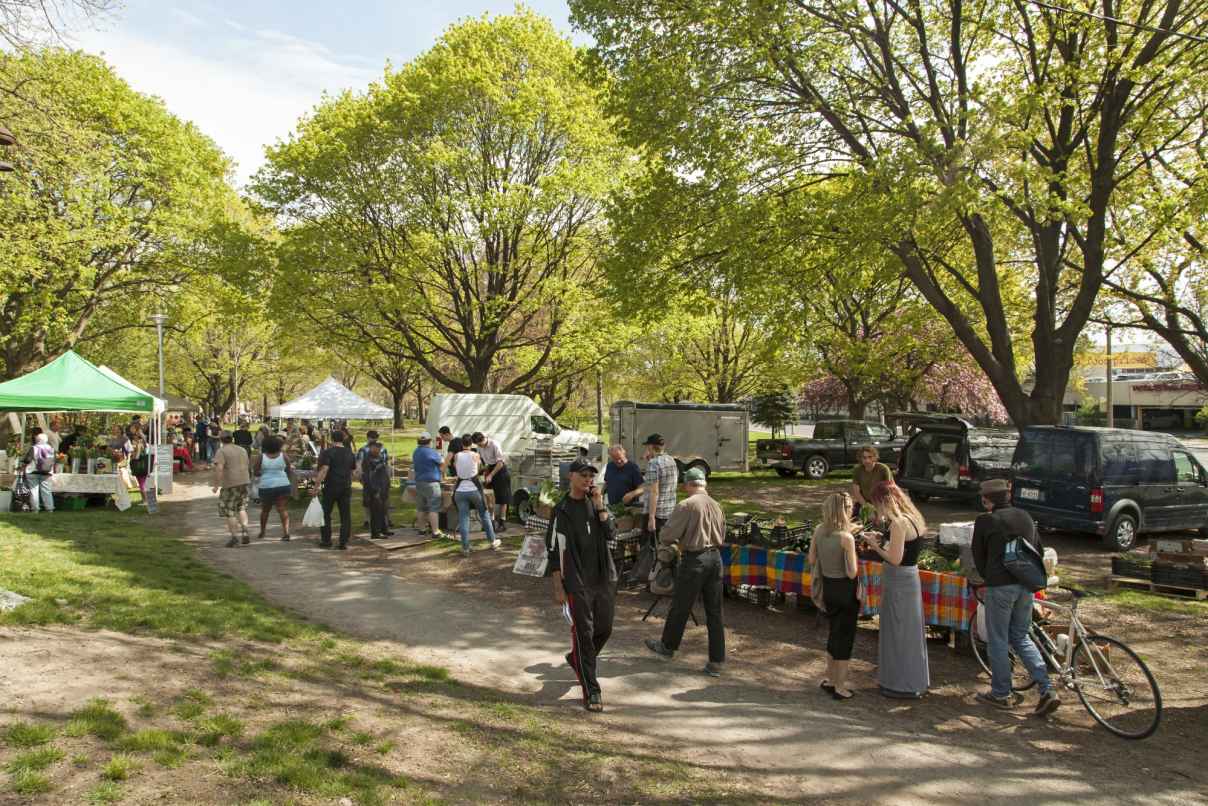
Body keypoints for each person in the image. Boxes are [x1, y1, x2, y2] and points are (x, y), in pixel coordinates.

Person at [973, 478, 1061, 715]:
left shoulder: (985, 520)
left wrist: (987, 577)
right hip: (1026, 584)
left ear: (986, 499)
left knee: (998, 639)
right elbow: (1038, 550)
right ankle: (1046, 688)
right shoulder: (1024, 516)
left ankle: (1002, 693)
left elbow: (978, 557)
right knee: (1021, 636)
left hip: (1000, 586)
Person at [545, 458, 616, 712]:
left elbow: (611, 534)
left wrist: (600, 506)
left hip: (603, 577)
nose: (588, 480)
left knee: (604, 629)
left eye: (591, 476)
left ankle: (576, 659)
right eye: (583, 475)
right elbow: (553, 550)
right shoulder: (561, 509)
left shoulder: (596, 504)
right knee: (583, 635)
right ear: (571, 477)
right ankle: (591, 691)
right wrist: (558, 586)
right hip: (576, 581)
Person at [644, 467, 727, 677]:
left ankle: (668, 647)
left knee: (680, 606)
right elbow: (723, 533)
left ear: (688, 484)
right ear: (704, 484)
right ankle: (716, 662)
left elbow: (668, 535)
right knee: (715, 612)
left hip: (695, 559)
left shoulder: (686, 505)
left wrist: (673, 541)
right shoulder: (717, 505)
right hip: (716, 558)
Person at [864, 481, 930, 699]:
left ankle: (900, 683)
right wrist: (883, 541)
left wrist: (874, 545)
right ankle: (912, 680)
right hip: (911, 577)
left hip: (898, 579)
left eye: (877, 505)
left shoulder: (898, 523)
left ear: (886, 502)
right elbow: (905, 550)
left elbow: (895, 558)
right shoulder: (915, 518)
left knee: (897, 631)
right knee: (909, 631)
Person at [809, 493, 861, 700]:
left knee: (833, 633)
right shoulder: (846, 538)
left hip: (828, 589)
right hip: (845, 591)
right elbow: (852, 572)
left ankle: (830, 680)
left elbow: (812, 558)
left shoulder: (819, 530)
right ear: (845, 510)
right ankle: (840, 686)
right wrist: (852, 549)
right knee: (845, 638)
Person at [451, 435, 499, 556]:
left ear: (462, 444)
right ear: (472, 444)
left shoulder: (457, 456)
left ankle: (465, 547)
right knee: (484, 514)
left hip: (460, 491)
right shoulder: (475, 455)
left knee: (463, 518)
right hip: (473, 489)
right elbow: (478, 470)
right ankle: (493, 541)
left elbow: (457, 470)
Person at [313, 429, 357, 549]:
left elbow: (324, 470)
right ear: (343, 439)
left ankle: (326, 540)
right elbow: (353, 472)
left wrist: (316, 486)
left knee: (326, 514)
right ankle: (343, 542)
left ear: (332, 439)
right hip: (345, 486)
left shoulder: (328, 452)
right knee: (345, 515)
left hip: (331, 486)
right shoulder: (350, 453)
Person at [211, 430, 252, 547]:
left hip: (230, 484)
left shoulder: (222, 451)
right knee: (241, 508)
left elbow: (219, 468)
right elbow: (247, 464)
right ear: (232, 438)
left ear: (220, 439)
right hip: (244, 481)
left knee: (229, 511)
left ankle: (234, 537)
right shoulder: (242, 449)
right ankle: (244, 529)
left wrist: (216, 485)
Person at [638, 433, 678, 548]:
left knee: (650, 548)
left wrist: (651, 518)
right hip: (669, 511)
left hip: (656, 514)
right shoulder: (671, 460)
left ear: (650, 447)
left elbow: (654, 492)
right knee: (665, 546)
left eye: (647, 447)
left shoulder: (653, 464)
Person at [253, 435, 293, 542]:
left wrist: (264, 473)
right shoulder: (283, 456)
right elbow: (289, 470)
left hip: (266, 486)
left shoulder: (261, 457)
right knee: (282, 509)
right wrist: (286, 479)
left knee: (265, 510)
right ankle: (286, 532)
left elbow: (255, 471)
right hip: (283, 485)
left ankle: (262, 531)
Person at [472, 432, 511, 533]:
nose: (480, 446)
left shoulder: (495, 444)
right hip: (490, 469)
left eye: (481, 443)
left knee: (503, 498)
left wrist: (491, 475)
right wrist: (480, 471)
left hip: (500, 470)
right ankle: (491, 522)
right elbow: (483, 462)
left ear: (485, 438)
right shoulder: (479, 447)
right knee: (489, 497)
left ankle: (502, 523)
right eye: (478, 444)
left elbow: (500, 463)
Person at [411, 432, 447, 539]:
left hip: (419, 482)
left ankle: (421, 529)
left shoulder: (416, 451)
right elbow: (442, 463)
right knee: (434, 508)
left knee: (421, 508)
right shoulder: (431, 452)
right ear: (430, 441)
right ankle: (435, 532)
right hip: (431, 483)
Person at [851, 445, 893, 519]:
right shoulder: (857, 470)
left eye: (870, 457)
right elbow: (856, 491)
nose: (867, 460)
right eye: (864, 458)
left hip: (882, 502)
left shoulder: (883, 469)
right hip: (864, 502)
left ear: (875, 457)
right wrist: (866, 506)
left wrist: (880, 508)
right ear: (860, 459)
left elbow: (890, 490)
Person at [362, 441, 392, 540]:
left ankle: (384, 529)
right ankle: (375, 532)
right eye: (376, 448)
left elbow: (383, 473)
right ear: (371, 448)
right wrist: (375, 491)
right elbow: (368, 477)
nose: (378, 450)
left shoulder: (379, 458)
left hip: (383, 488)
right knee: (375, 512)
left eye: (379, 448)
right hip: (374, 489)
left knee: (382, 510)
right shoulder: (367, 460)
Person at [26, 433, 56, 512]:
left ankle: (35, 509)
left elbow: (27, 460)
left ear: (38, 440)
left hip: (33, 471)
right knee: (46, 491)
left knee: (34, 490)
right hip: (47, 472)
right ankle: (50, 508)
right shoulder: (51, 448)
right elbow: (53, 461)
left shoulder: (34, 448)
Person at [127, 424, 151, 496]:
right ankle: (145, 500)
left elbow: (136, 456)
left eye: (133, 429)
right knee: (142, 483)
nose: (131, 431)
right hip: (140, 465)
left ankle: (146, 500)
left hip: (140, 465)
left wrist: (133, 455)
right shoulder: (139, 442)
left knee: (142, 484)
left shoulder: (140, 443)